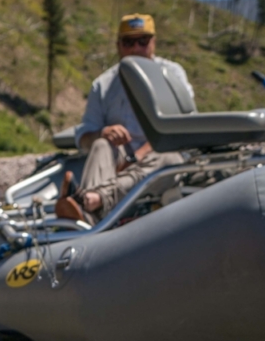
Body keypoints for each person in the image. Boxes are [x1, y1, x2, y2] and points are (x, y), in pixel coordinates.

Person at [61, 14, 195, 221]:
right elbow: (85, 136)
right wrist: (102, 132)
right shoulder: (103, 84)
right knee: (100, 145)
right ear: (118, 45)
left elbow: (186, 126)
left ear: (153, 42)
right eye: (129, 42)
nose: (136, 48)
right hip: (118, 159)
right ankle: (92, 212)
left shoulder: (172, 74)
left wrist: (137, 157)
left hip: (159, 156)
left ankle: (90, 204)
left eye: (143, 41)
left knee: (170, 159)